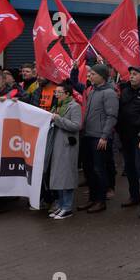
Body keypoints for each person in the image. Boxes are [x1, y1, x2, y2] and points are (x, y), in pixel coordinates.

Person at [78, 64, 118, 214]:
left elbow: (112, 115)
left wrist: (104, 136)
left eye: (93, 74)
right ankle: (92, 199)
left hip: (99, 137)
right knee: (88, 169)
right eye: (90, 74)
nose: (90, 76)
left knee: (98, 169)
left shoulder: (109, 93)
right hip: (88, 135)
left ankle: (100, 201)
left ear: (102, 76)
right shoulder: (93, 90)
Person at [116, 66, 140, 209]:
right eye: (130, 74)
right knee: (129, 168)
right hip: (125, 136)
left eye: (135, 74)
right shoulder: (125, 91)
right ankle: (134, 196)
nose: (131, 76)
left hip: (139, 137)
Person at [46, 82, 82, 220]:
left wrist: (58, 119)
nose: (56, 94)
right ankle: (61, 205)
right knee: (58, 177)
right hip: (56, 145)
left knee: (66, 177)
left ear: (67, 94)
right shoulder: (57, 107)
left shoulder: (74, 107)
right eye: (55, 92)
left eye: (59, 92)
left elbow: (76, 126)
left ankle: (67, 207)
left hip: (67, 147)